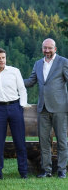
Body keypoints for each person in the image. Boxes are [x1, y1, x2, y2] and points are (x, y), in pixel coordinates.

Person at [24, 38, 68, 179]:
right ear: (42, 49)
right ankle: (46, 170)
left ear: (55, 49)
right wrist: (13, 80)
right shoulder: (38, 64)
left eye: (50, 48)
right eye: (45, 48)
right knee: (44, 141)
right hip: (42, 108)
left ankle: (62, 170)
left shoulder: (63, 62)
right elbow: (30, 81)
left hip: (60, 108)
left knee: (61, 140)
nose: (47, 50)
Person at [0, 48, 28, 179]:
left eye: (3, 57)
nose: (1, 60)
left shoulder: (14, 71)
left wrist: (22, 106)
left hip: (15, 107)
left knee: (19, 141)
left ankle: (23, 172)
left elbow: (22, 89)